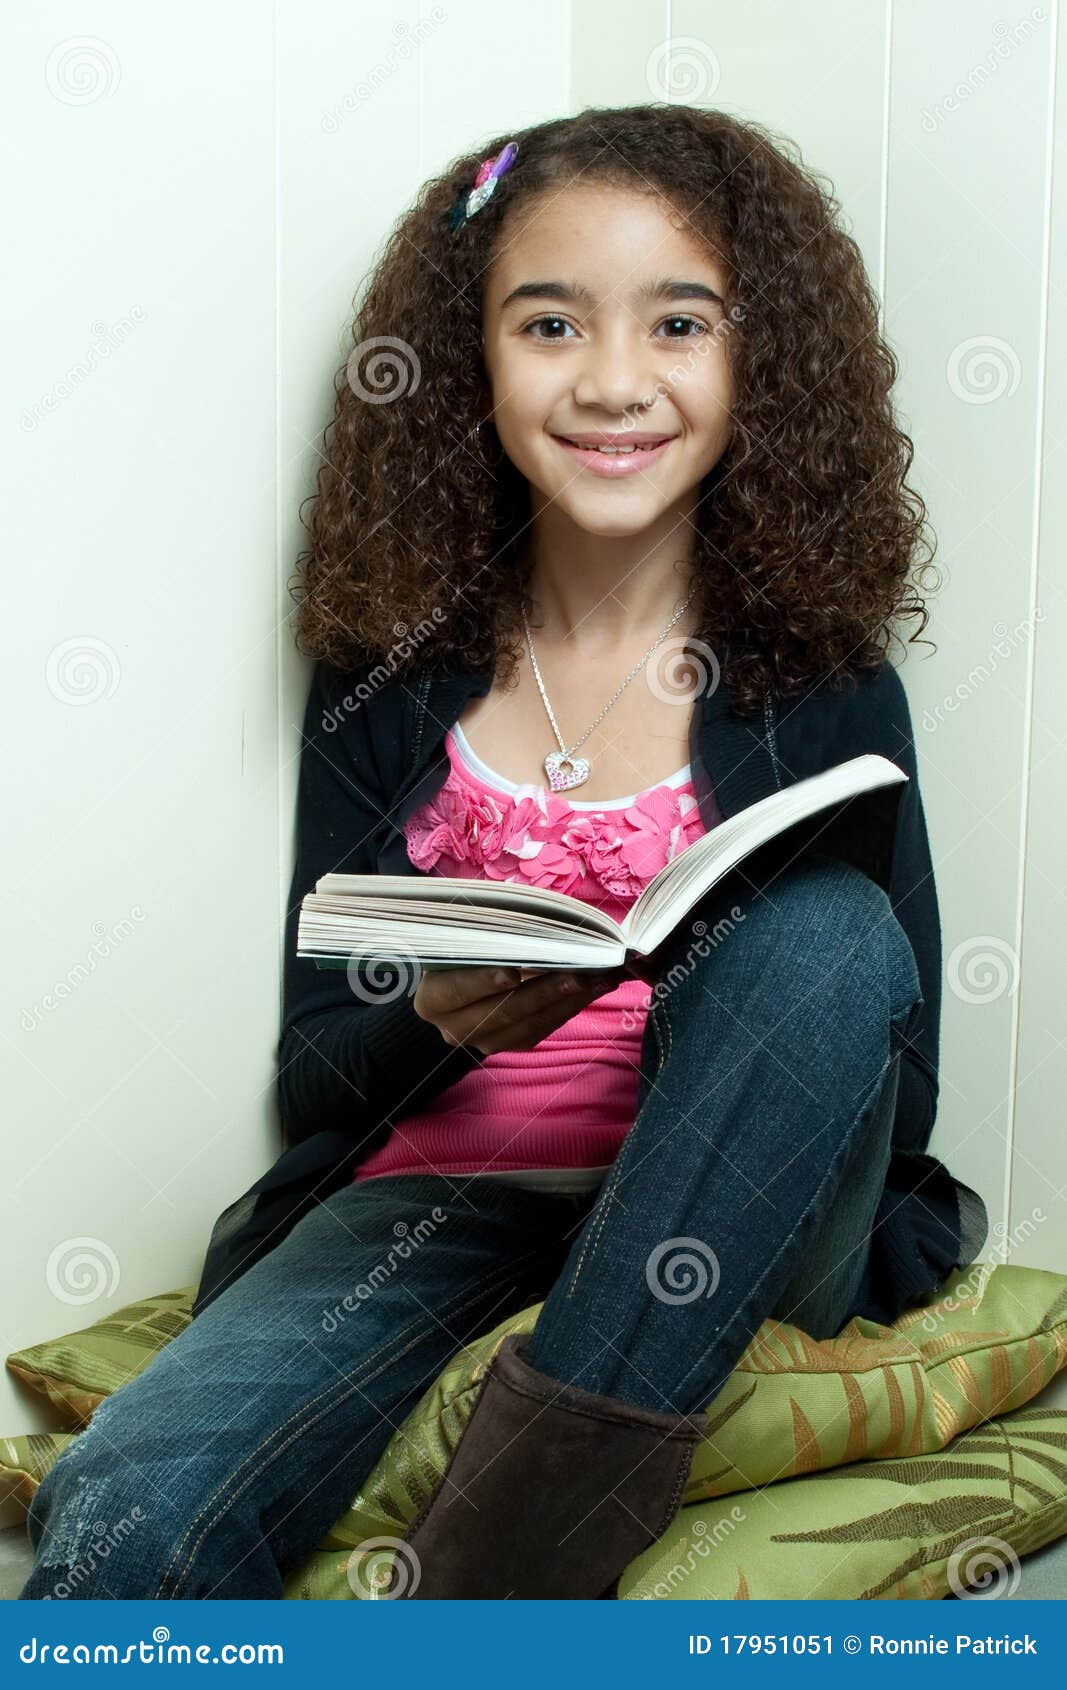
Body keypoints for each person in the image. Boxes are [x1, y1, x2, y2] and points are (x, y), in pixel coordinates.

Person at [20, 103, 988, 1602]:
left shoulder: (826, 678)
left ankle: (502, 1579)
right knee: (118, 1517)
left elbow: (888, 1061)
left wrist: (710, 1017)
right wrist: (432, 1018)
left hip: (734, 1209)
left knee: (829, 940)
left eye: (679, 322)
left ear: (760, 359)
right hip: (430, 1206)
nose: (613, 381)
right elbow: (314, 1073)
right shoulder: (392, 674)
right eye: (550, 323)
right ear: (473, 357)